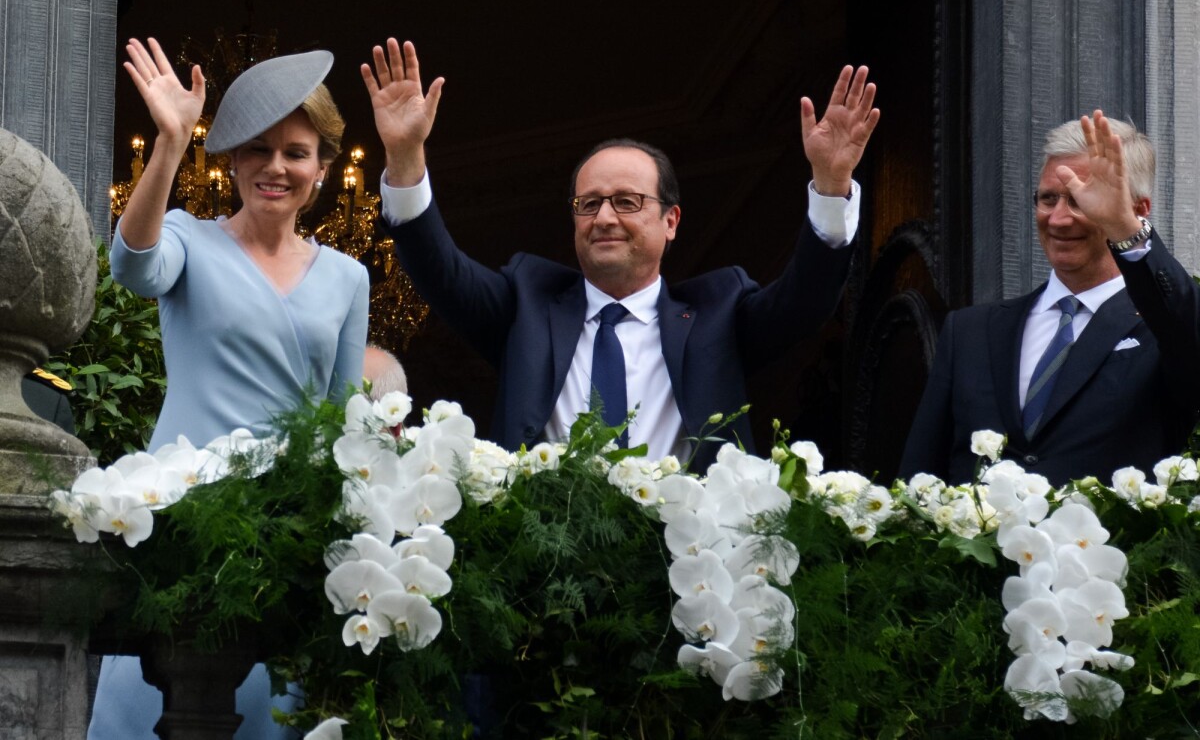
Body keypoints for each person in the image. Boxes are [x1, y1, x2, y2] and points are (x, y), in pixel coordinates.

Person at [363, 39, 879, 471]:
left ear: (670, 221)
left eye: (627, 202)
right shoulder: (526, 302)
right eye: (589, 204)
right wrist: (406, 157)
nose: (605, 218)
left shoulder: (720, 314)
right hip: (545, 567)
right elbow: (439, 269)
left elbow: (807, 301)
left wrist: (831, 185)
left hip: (685, 566)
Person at [89, 38, 370, 739]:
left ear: (324, 168)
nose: (276, 167)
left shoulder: (348, 278)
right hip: (184, 522)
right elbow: (132, 265)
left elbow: (340, 420)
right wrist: (171, 141)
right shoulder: (188, 236)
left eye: (296, 152)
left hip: (283, 534)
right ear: (234, 161)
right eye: (257, 150)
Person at [900, 111, 1200, 487]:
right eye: (1048, 199)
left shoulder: (1163, 327)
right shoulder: (969, 332)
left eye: (1080, 201)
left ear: (1138, 210)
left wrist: (1124, 229)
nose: (1058, 219)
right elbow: (919, 478)